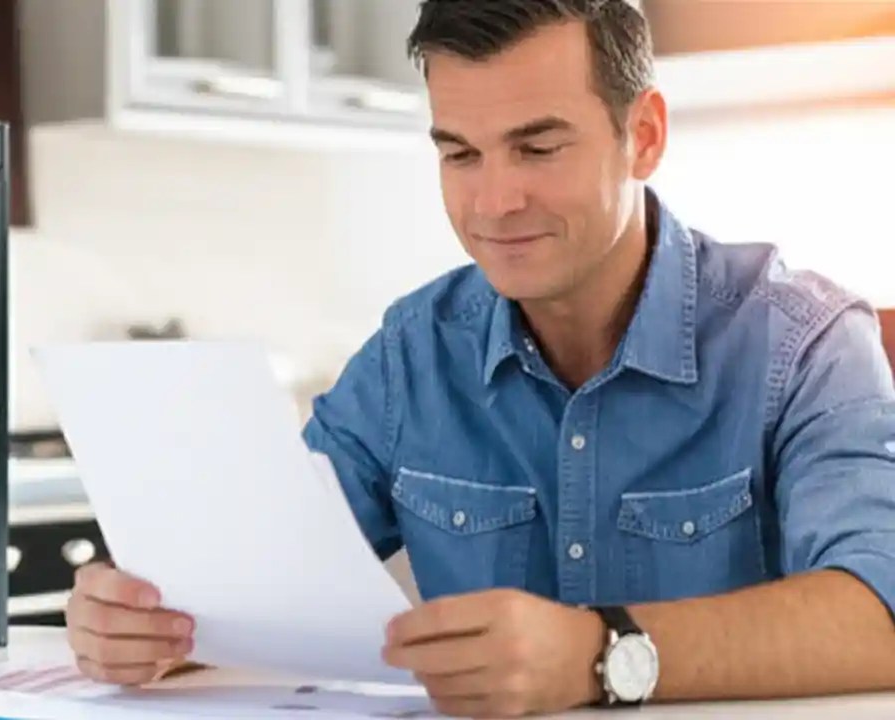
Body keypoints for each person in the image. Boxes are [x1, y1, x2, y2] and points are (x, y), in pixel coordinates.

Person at [62, 0, 895, 716]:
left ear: (641, 136)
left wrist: (596, 654)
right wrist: (152, 626)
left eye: (538, 148)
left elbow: (880, 613)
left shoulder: (807, 343)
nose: (494, 202)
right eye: (460, 152)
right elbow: (262, 586)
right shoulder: (410, 354)